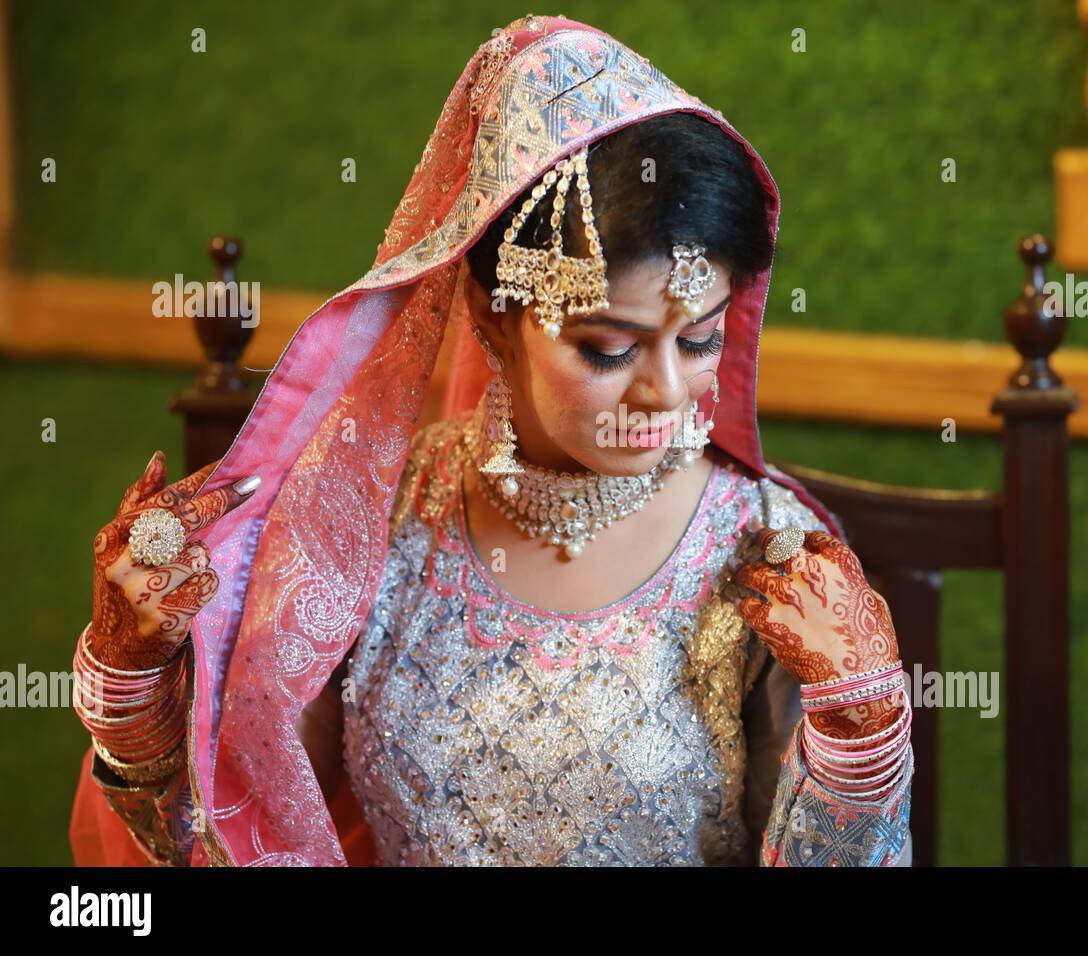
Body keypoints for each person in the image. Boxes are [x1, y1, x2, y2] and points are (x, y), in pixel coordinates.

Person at [67, 14, 913, 867]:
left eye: (699, 339)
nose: (664, 391)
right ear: (493, 319)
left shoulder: (770, 558)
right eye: (608, 347)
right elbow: (246, 837)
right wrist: (133, 690)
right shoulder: (367, 522)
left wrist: (861, 735)